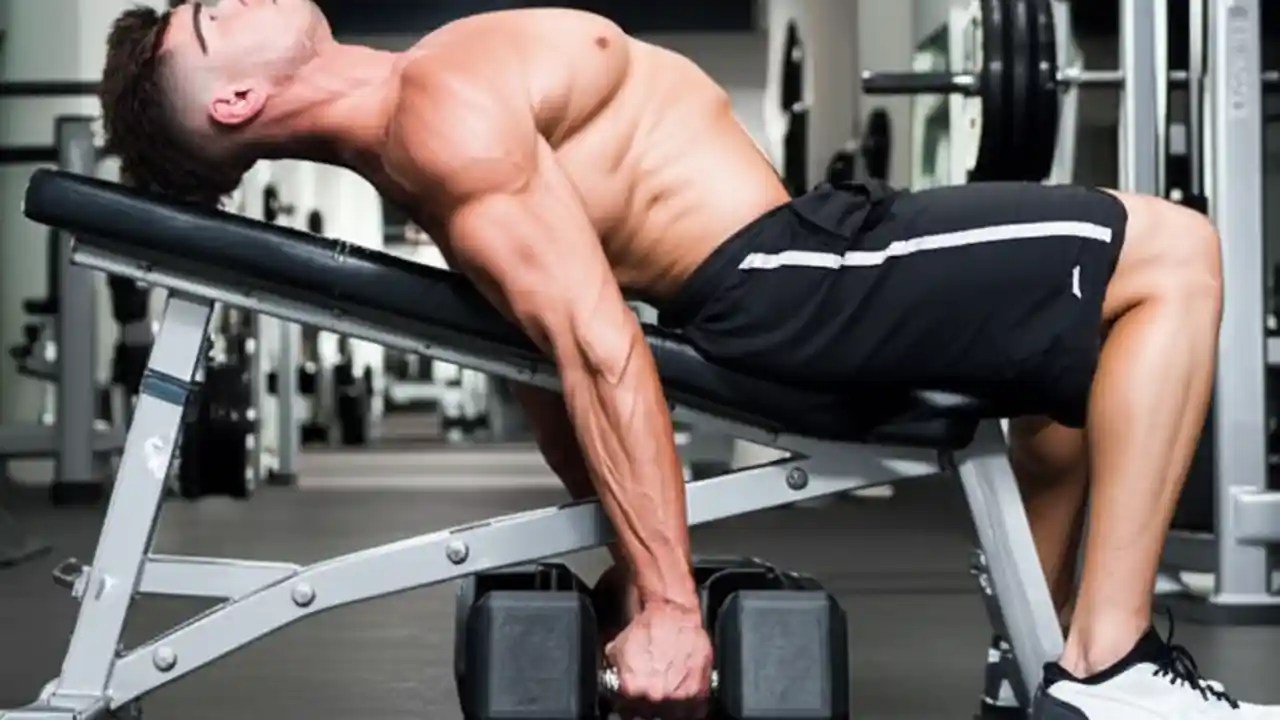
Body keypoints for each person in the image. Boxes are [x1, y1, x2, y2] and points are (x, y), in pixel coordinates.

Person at [97, 2, 1273, 718]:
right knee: (1171, 253)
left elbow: (542, 365)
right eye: (214, 18)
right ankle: (1105, 663)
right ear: (242, 98)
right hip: (789, 275)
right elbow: (595, 349)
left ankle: (1032, 676)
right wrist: (664, 604)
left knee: (1055, 356)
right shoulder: (436, 121)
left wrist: (618, 560)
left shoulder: (419, 119)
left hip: (797, 257)